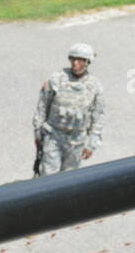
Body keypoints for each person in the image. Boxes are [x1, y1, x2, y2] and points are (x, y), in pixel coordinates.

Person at [33, 43, 105, 176]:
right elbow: (42, 107)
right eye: (73, 59)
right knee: (48, 176)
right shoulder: (57, 79)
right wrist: (38, 131)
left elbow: (98, 117)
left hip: (77, 141)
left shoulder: (95, 86)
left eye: (80, 60)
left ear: (87, 62)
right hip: (53, 137)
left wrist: (92, 144)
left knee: (70, 178)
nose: (75, 63)